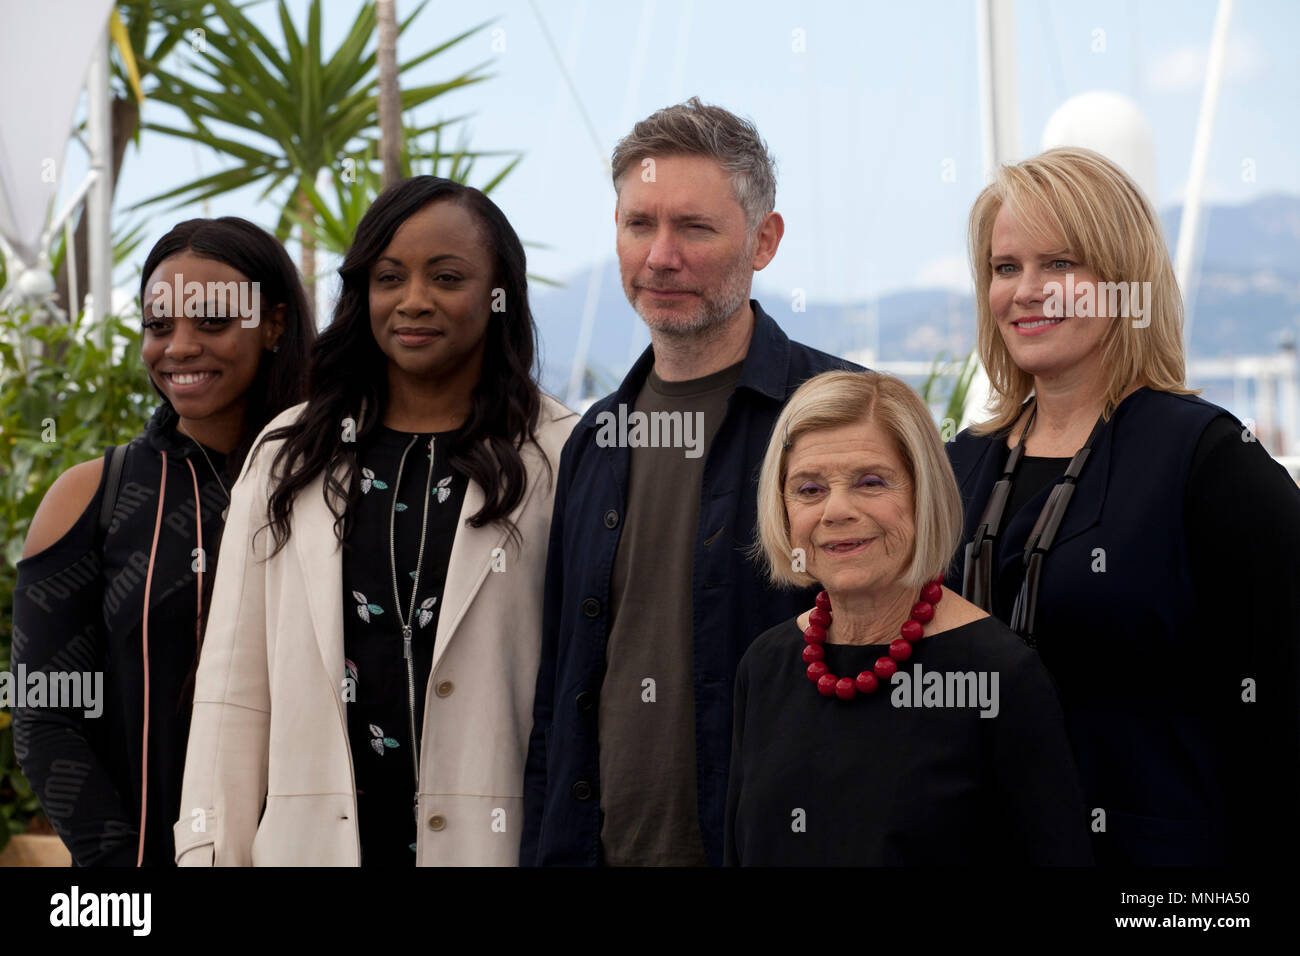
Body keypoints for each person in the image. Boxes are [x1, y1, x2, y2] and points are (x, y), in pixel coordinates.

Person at [174, 176, 576, 866]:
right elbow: (232, 693)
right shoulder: (288, 455)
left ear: (498, 292)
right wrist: (209, 850)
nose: (414, 300)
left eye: (447, 277)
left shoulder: (561, 455)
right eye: (389, 277)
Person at [521, 97, 862, 867]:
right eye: (639, 224)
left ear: (764, 240)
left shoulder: (847, 419)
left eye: (695, 228)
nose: (660, 256)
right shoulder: (592, 441)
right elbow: (559, 693)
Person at [945, 146, 1300, 865]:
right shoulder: (962, 465)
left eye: (1062, 265)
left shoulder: (1207, 462)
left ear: (1123, 282)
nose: (1028, 290)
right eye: (1006, 268)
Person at [12, 217, 314, 865]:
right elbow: (46, 713)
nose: (178, 346)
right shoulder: (90, 497)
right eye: (158, 325)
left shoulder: (337, 487)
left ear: (275, 325)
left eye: (211, 322)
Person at [725, 370, 1092, 865]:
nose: (836, 510)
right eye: (809, 489)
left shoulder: (1002, 677)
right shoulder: (766, 664)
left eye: (870, 482)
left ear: (924, 496)